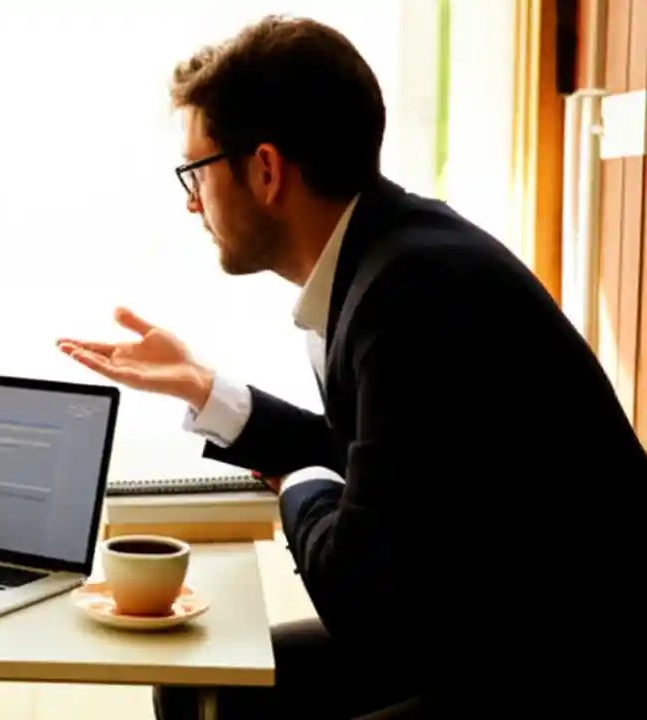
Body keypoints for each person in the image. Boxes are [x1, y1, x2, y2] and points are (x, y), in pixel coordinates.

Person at [58, 14, 644, 719]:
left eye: (196, 172)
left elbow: (359, 596)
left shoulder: (410, 290)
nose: (190, 202)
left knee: (222, 692)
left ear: (267, 170)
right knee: (198, 685)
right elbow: (373, 467)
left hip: (558, 665)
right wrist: (205, 389)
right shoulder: (392, 253)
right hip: (481, 619)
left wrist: (297, 487)